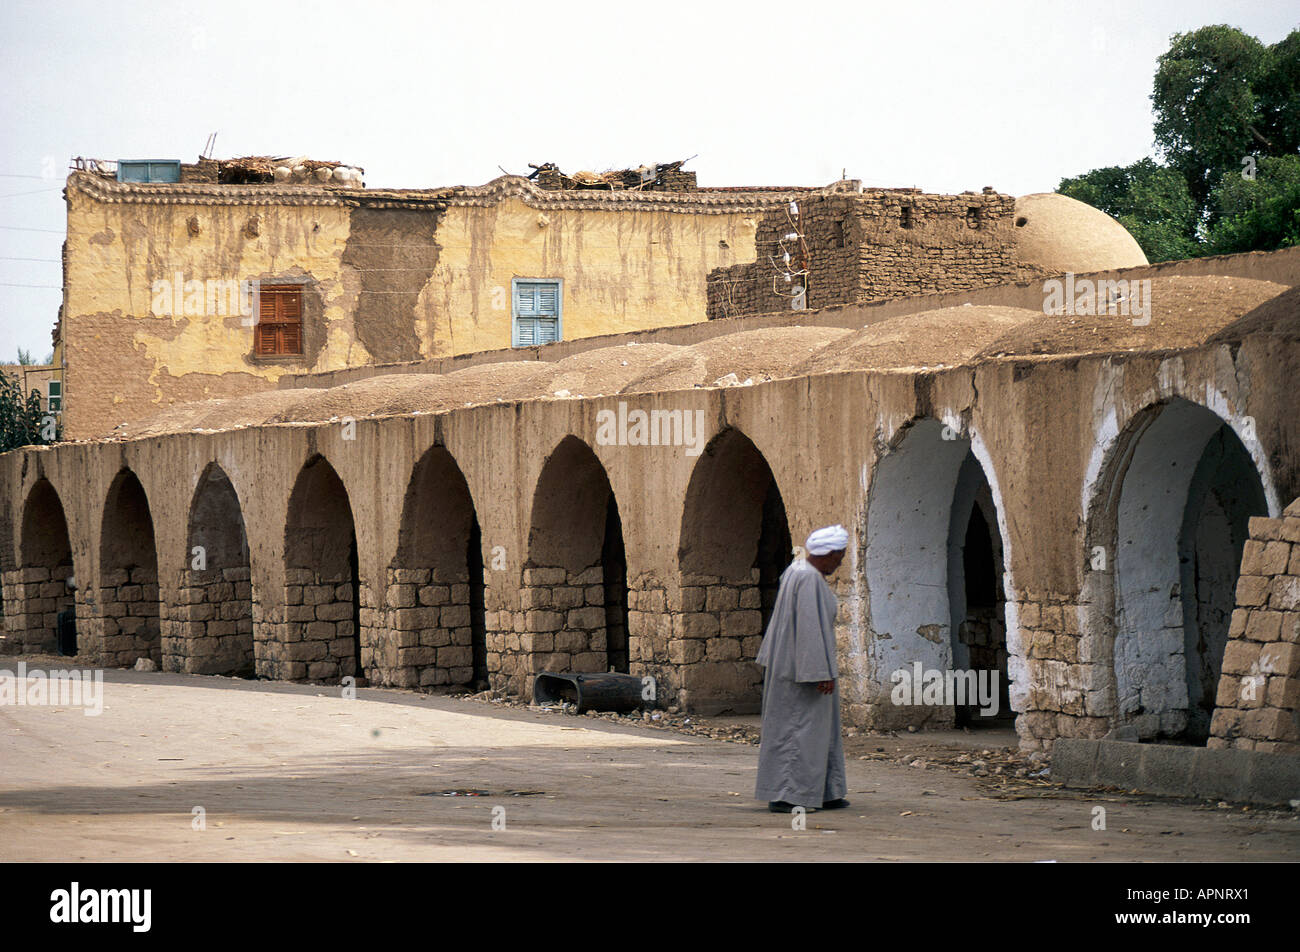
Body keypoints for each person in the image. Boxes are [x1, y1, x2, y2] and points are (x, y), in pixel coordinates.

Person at [754, 524, 849, 813]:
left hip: (791, 664)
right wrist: (819, 672)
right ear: (828, 554)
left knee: (817, 730)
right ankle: (789, 794)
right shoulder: (808, 579)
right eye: (839, 556)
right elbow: (808, 629)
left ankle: (824, 790)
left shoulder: (797, 571)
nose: (840, 562)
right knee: (800, 730)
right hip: (802, 669)